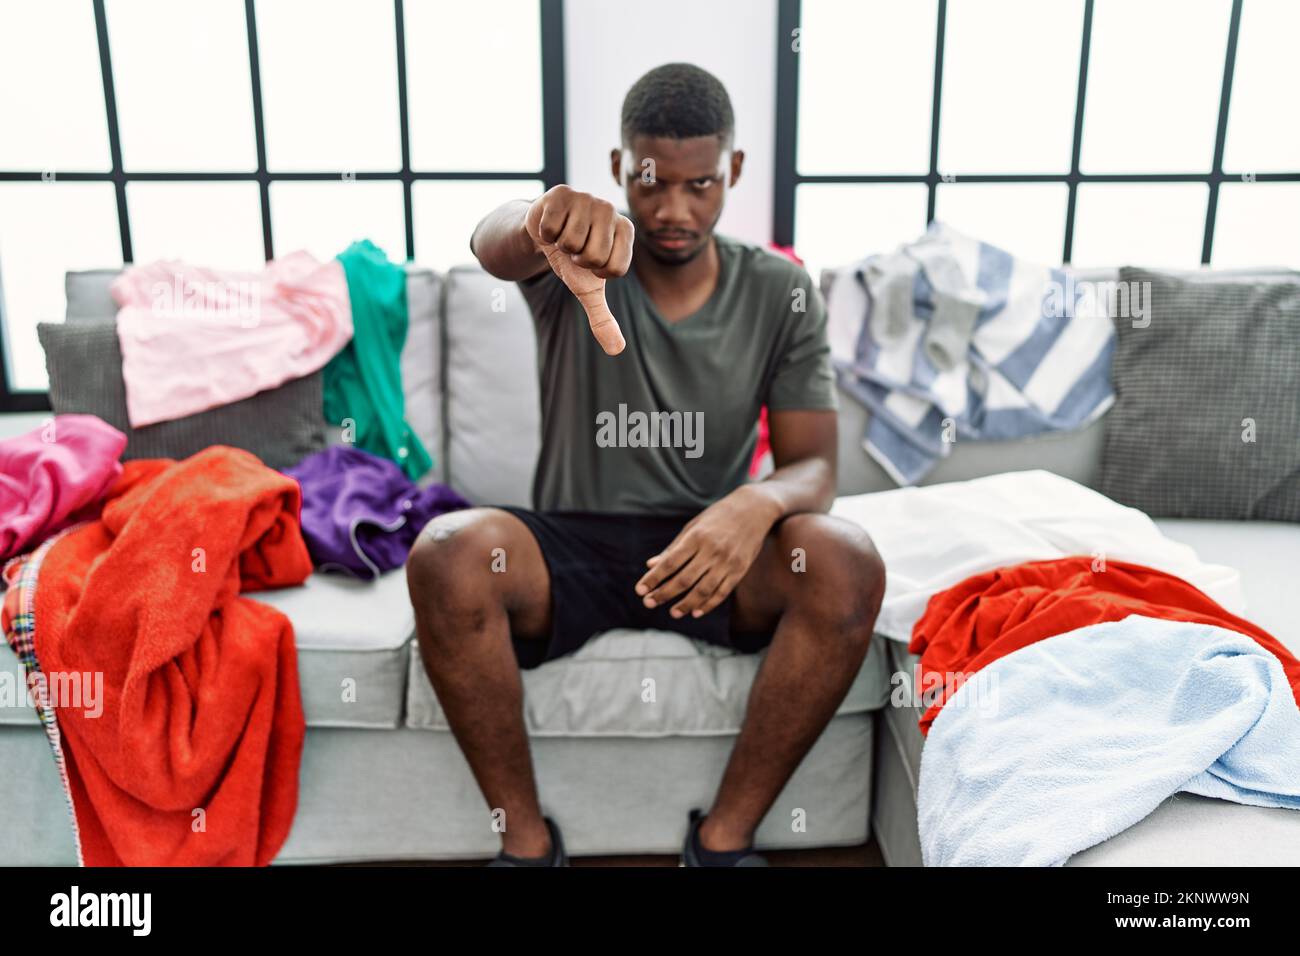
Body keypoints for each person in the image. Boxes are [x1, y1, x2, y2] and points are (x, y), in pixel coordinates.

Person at [406, 62, 885, 867]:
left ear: (732, 171)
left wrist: (752, 506)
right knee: (447, 552)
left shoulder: (782, 291)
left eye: (701, 185)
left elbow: (813, 471)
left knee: (847, 559)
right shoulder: (570, 266)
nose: (671, 210)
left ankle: (723, 843)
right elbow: (494, 244)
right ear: (619, 168)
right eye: (650, 183)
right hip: (569, 548)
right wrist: (539, 218)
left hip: (712, 552)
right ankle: (526, 849)